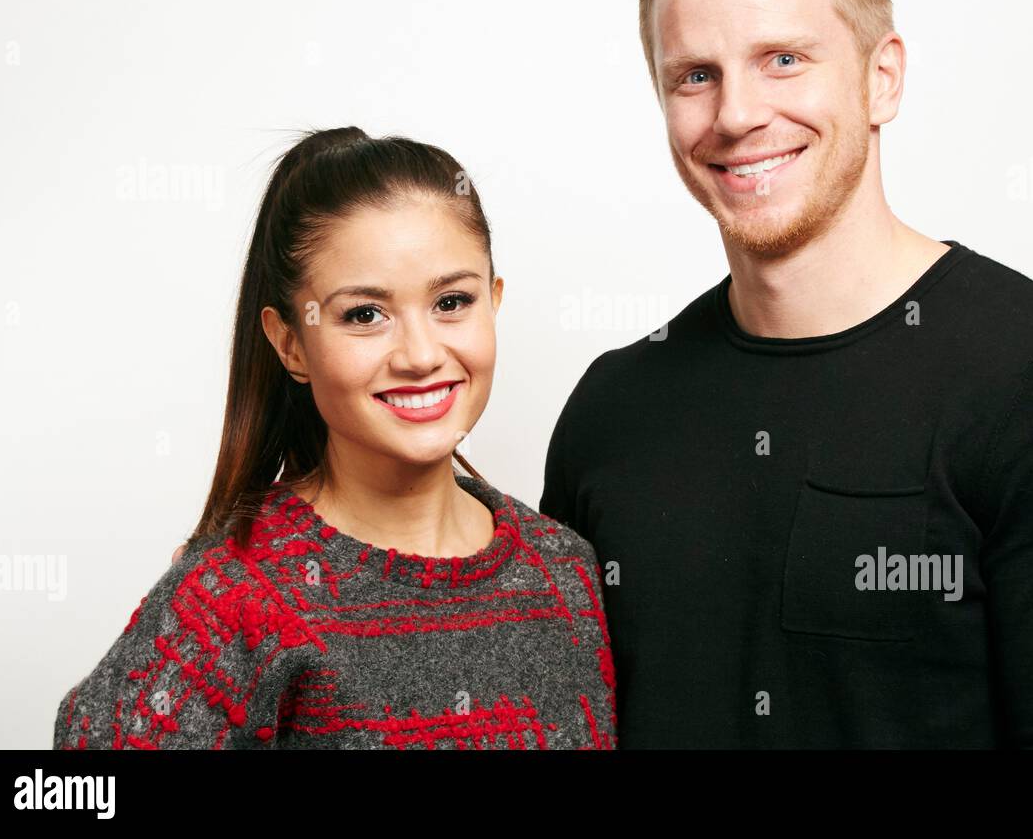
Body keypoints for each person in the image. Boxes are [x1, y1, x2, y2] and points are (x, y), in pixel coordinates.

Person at [538, 0, 1033, 747]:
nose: (736, 115)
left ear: (882, 77)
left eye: (782, 59)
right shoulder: (611, 411)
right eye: (695, 75)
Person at [54, 128, 616, 750]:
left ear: (494, 301)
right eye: (364, 315)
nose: (421, 355)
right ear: (290, 341)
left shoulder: (565, 571)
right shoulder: (235, 593)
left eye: (452, 301)